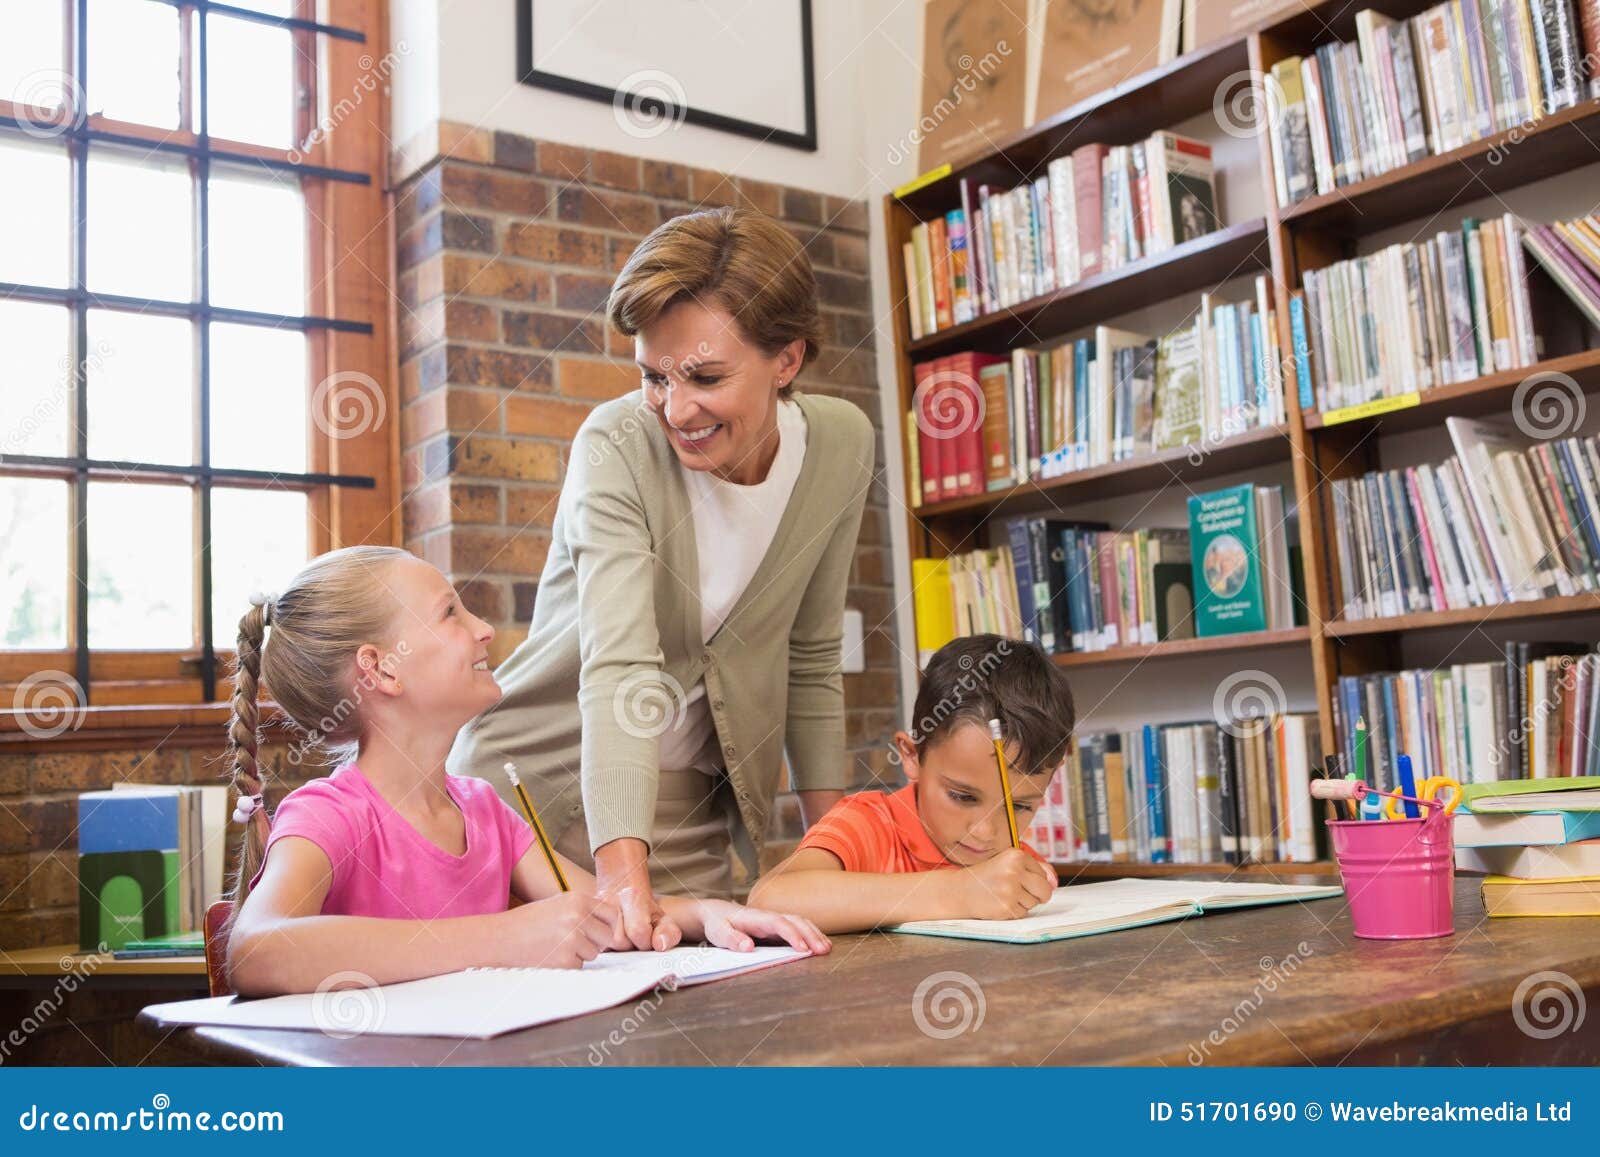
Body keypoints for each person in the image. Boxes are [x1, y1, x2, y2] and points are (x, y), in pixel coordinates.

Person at [447, 206, 875, 952]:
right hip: (540, 797)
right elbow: (619, 669)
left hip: (694, 810)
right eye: (652, 377)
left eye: (705, 377)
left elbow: (809, 659)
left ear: (788, 359)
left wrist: (833, 854)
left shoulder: (842, 445)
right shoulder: (616, 445)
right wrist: (621, 882)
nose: (675, 409)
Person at [223, 546, 829, 997]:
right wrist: (503, 938)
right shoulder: (330, 815)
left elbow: (600, 913)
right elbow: (256, 951)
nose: (484, 628)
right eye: (450, 614)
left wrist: (704, 915)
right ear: (381, 670)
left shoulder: (487, 811)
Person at [749, 635, 1074, 933]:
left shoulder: (1012, 866)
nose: (986, 833)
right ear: (911, 756)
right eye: (962, 796)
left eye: (1018, 806)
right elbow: (770, 899)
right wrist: (959, 892)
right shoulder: (867, 824)